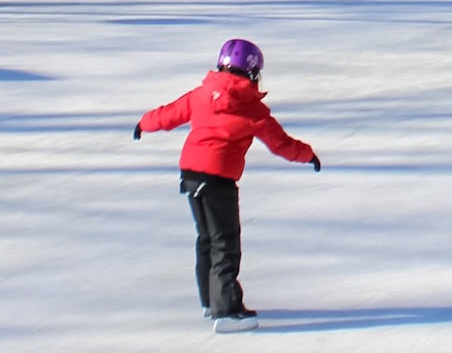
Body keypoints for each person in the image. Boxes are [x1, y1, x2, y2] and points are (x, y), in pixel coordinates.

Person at [134, 39, 320, 334]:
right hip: (218, 179)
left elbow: (170, 113)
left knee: (207, 238)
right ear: (253, 72)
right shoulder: (252, 109)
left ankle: (211, 300)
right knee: (225, 243)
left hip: (191, 174)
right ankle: (227, 310)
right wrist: (307, 154)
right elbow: (281, 144)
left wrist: (144, 123)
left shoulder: (202, 94)